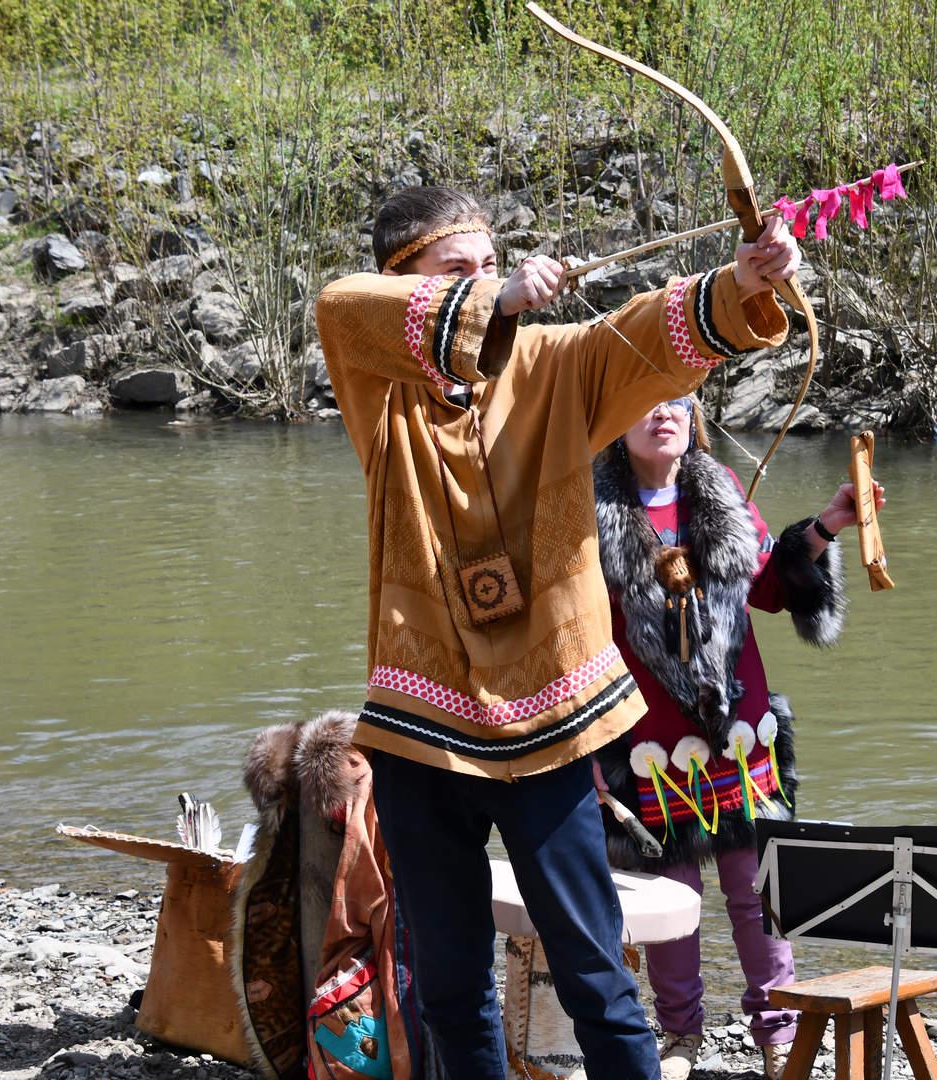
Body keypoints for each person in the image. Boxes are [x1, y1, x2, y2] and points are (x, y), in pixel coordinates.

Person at [312, 184, 802, 1079]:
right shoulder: (377, 383)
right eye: (454, 270)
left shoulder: (548, 365)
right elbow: (341, 305)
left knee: (597, 979)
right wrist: (492, 301)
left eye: (491, 264)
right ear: (407, 285)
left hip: (551, 723)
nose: (485, 282)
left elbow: (647, 334)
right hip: (422, 730)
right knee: (450, 989)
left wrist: (743, 279)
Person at [592, 397, 883, 1080]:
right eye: (643, 400)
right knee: (671, 903)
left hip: (740, 738)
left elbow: (774, 587)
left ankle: (779, 1031)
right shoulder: (587, 517)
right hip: (644, 747)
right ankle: (680, 1037)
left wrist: (826, 527)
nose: (660, 413)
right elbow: (572, 646)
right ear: (613, 421)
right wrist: (585, 754)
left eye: (675, 401)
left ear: (694, 415)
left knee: (758, 894)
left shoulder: (720, 494)